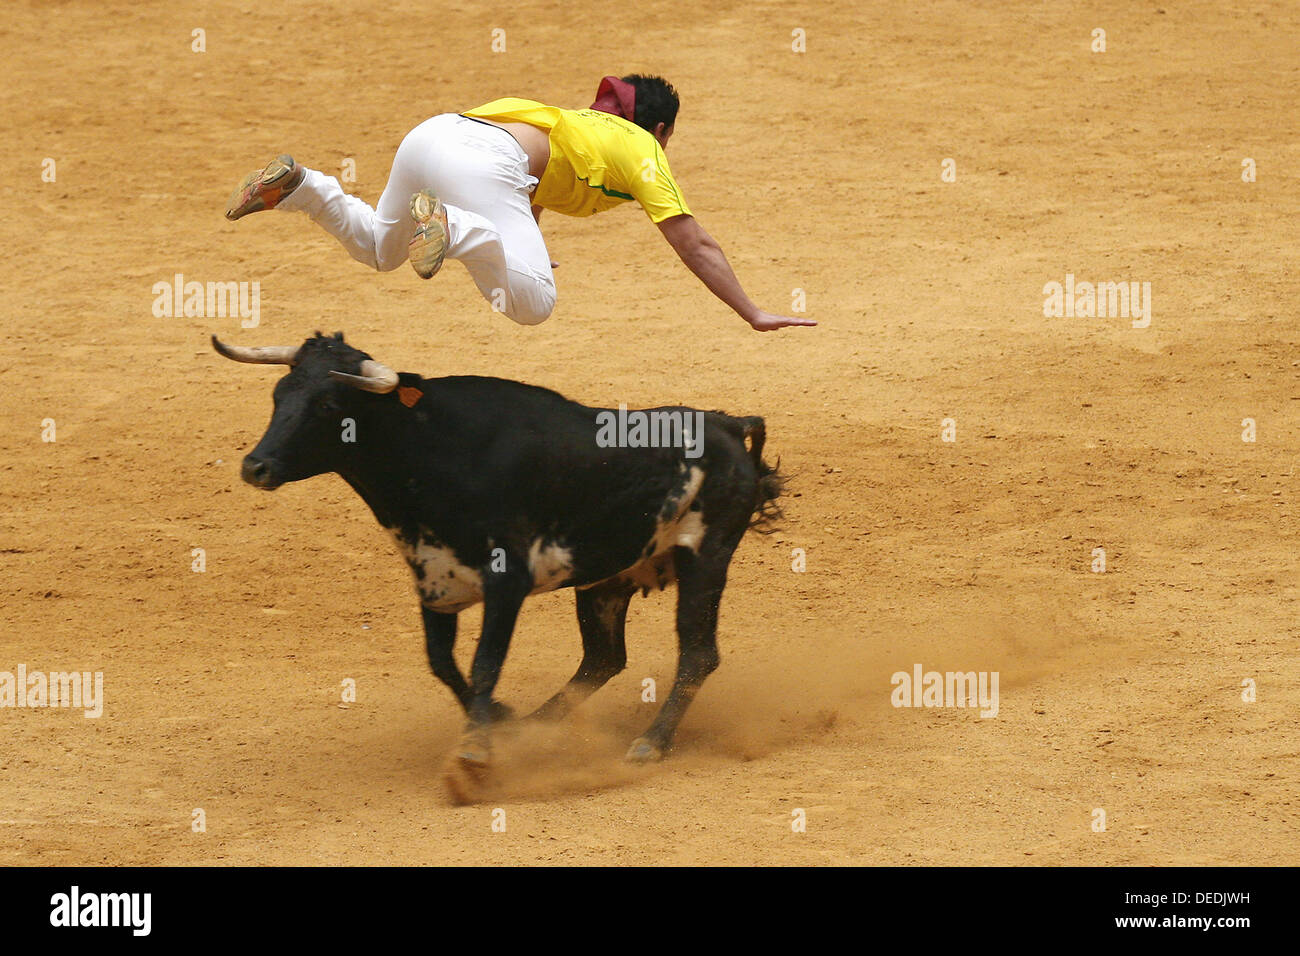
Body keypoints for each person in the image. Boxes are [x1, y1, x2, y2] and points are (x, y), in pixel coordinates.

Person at [226, 74, 815, 332]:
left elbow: (532, 192)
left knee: (382, 249)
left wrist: (522, 245)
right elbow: (693, 241)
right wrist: (752, 311)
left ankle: (302, 187)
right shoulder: (642, 148)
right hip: (481, 165)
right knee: (533, 303)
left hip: (431, 135)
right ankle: (452, 229)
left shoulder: (580, 124)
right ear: (659, 128)